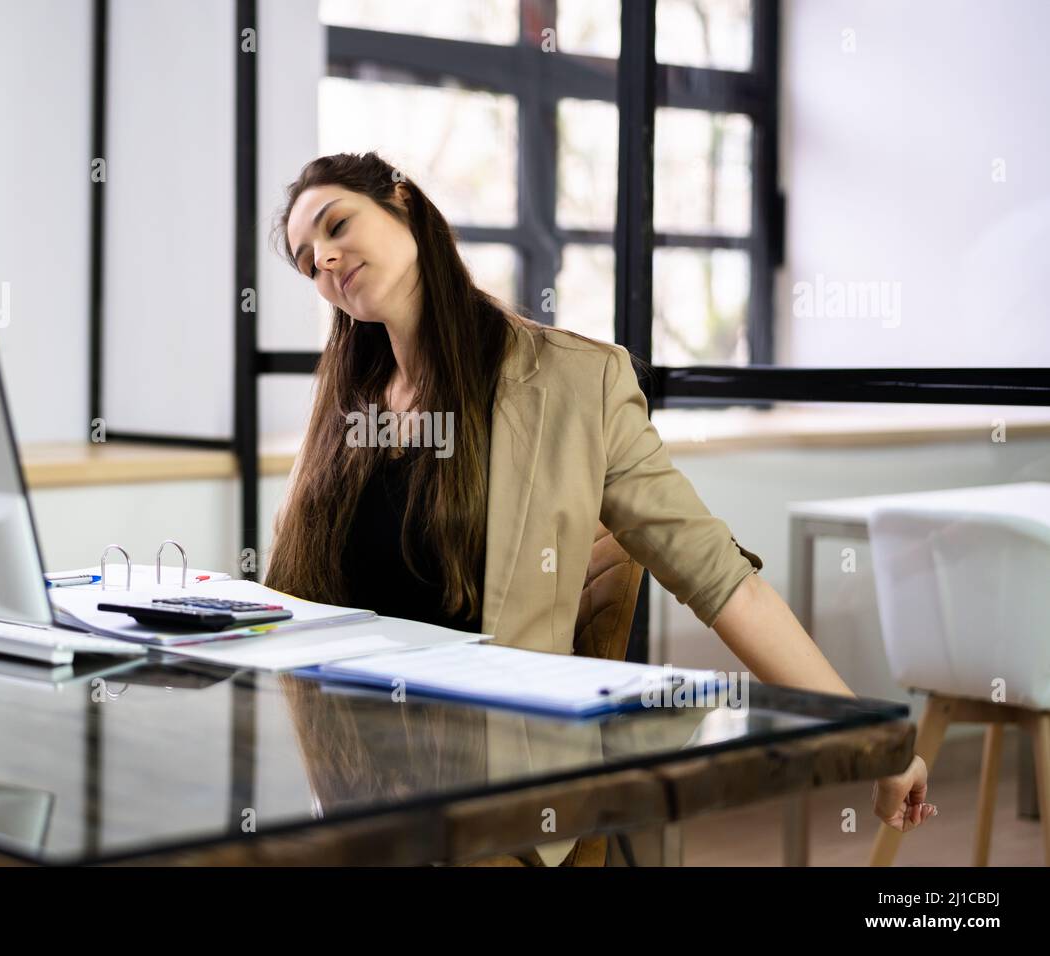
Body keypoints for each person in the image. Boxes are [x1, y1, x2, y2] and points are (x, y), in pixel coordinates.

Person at [266, 151, 935, 836]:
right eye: (304, 259)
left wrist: (872, 739)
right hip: (343, 770)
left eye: (336, 224)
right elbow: (289, 594)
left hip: (485, 779)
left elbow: (722, 579)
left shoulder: (574, 383)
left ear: (402, 202)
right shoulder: (343, 404)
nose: (323, 258)